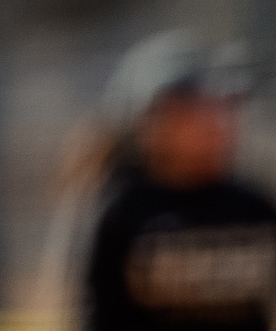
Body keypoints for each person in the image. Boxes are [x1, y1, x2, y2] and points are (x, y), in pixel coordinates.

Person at [81, 31, 274, 331]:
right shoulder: (125, 213)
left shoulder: (253, 206)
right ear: (151, 122)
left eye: (226, 108)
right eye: (198, 110)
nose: (219, 122)